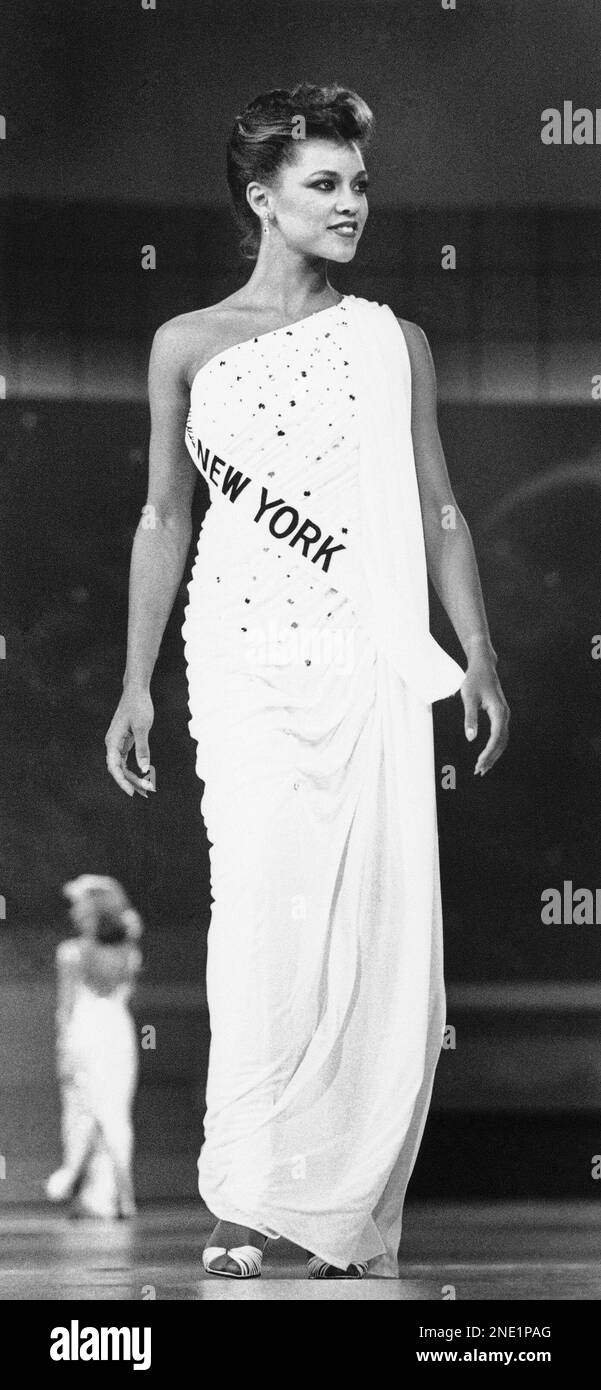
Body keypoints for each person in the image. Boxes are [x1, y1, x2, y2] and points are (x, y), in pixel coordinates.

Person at [105, 82, 510, 1278]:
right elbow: (161, 519)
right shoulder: (186, 343)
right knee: (259, 923)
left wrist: (476, 645)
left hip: (364, 663)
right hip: (239, 664)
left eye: (360, 184)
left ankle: (333, 1205)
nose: (351, 205)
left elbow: (438, 508)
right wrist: (136, 682)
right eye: (324, 184)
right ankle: (246, 1191)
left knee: (367, 929)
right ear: (262, 199)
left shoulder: (393, 343)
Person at [45, 874, 142, 1218]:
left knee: (82, 1111)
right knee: (115, 1112)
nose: (73, 913)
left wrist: (64, 1051)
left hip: (86, 1031)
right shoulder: (130, 953)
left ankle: (74, 1178)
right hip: (119, 1030)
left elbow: (66, 1008)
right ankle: (114, 1195)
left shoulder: (71, 953)